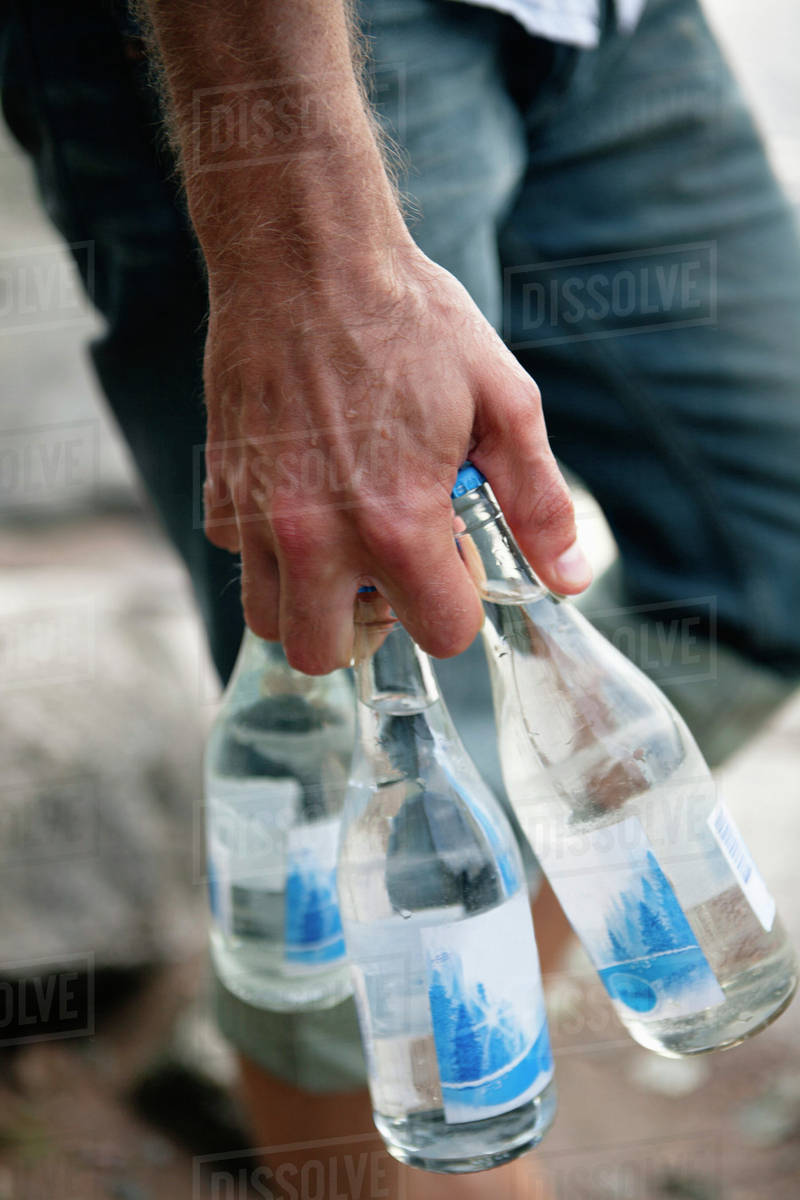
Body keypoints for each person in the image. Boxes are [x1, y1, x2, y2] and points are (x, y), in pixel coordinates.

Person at [2, 0, 799, 1195]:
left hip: (598, 19)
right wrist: (305, 261)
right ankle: (367, 1073)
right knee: (381, 746)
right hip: (277, 60)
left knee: (767, 557)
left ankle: (403, 1017)